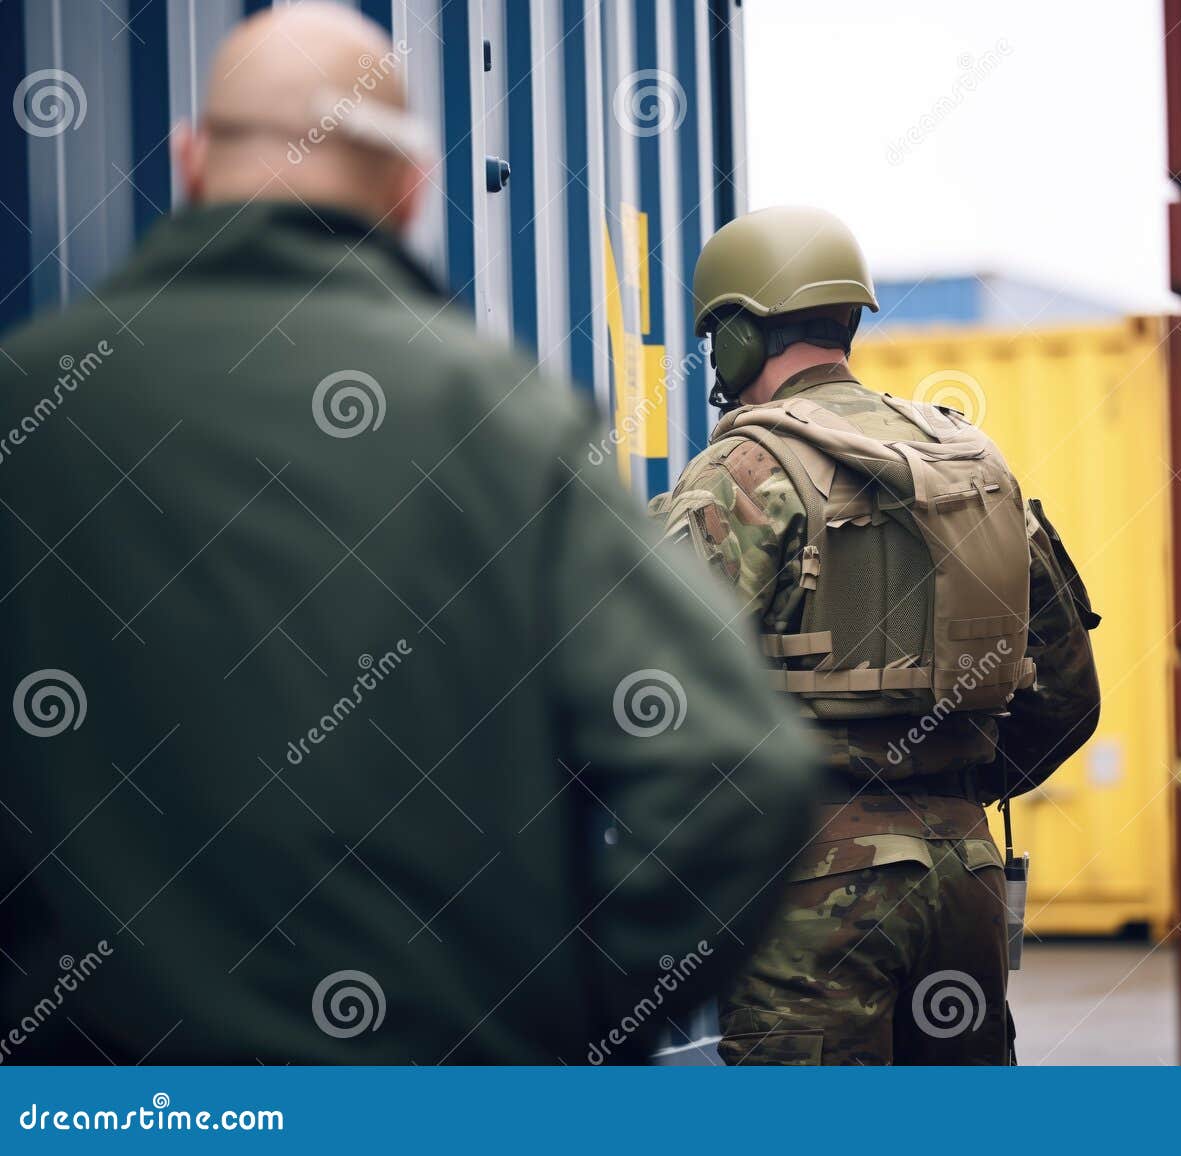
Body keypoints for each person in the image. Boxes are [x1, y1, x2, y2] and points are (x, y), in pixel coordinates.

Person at [0, 3, 821, 1064]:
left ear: (191, 159)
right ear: (412, 185)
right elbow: (737, 767)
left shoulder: (31, 405)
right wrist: (568, 1016)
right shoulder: (500, 420)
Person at [652, 206, 1102, 1065]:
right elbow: (1070, 692)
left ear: (740, 335)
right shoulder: (971, 463)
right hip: (966, 874)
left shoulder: (744, 471)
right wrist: (953, 784)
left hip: (812, 889)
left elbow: (663, 702)